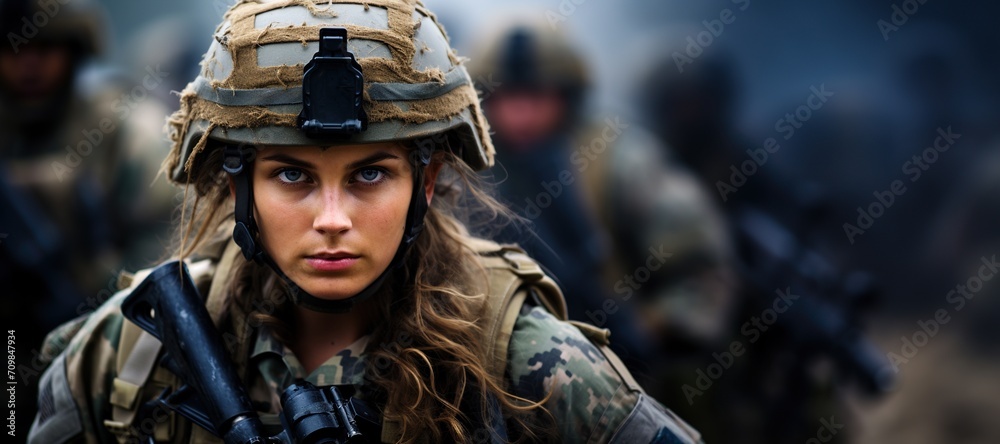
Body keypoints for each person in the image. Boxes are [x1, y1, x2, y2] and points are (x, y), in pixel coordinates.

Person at [28, 1, 702, 443]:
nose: (331, 220)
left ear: (428, 183)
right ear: (237, 185)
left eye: (370, 175)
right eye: (291, 175)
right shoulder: (130, 351)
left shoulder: (530, 368)